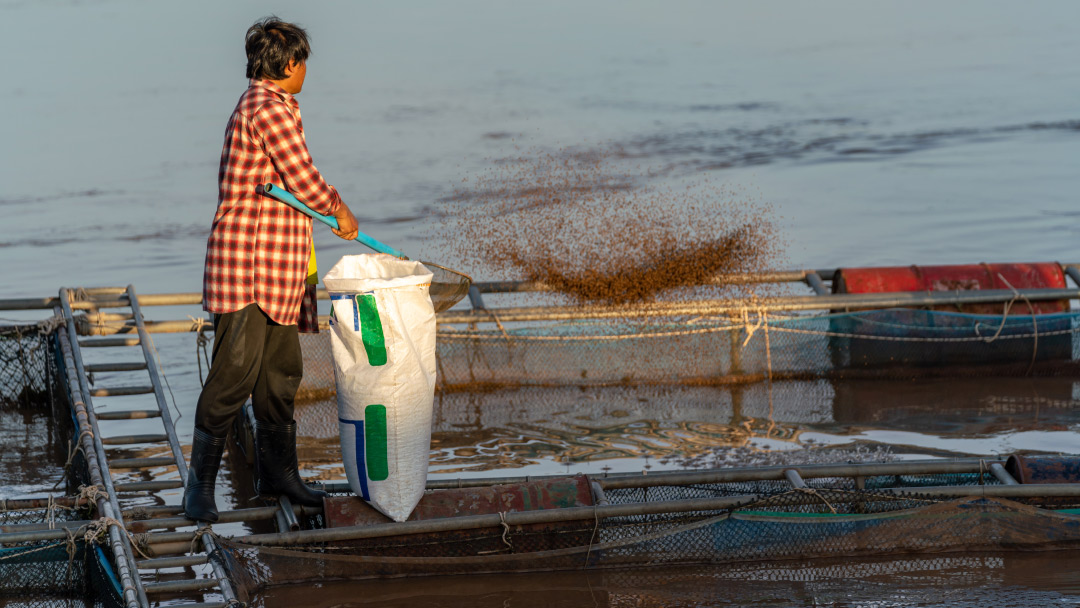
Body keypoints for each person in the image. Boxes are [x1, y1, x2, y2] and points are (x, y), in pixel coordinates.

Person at [184, 16, 359, 522]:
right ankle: (197, 489)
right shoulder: (265, 108)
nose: (306, 71)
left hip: (283, 265)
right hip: (248, 266)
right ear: (288, 63)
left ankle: (278, 474)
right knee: (233, 374)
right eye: (303, 61)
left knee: (281, 374)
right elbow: (303, 176)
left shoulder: (277, 105)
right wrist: (339, 209)